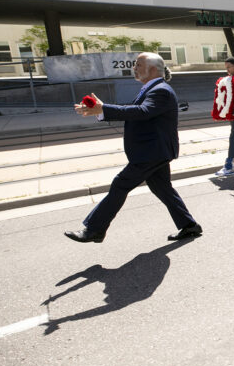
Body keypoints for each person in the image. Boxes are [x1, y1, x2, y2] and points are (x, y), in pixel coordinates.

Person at [65, 53, 202, 243]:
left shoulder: (160, 90)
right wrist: (102, 110)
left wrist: (104, 109)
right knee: (162, 188)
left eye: (138, 65)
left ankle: (94, 229)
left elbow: (143, 112)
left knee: (120, 184)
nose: (134, 68)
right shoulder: (152, 88)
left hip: (151, 152)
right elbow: (137, 111)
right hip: (155, 150)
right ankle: (189, 226)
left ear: (153, 69)